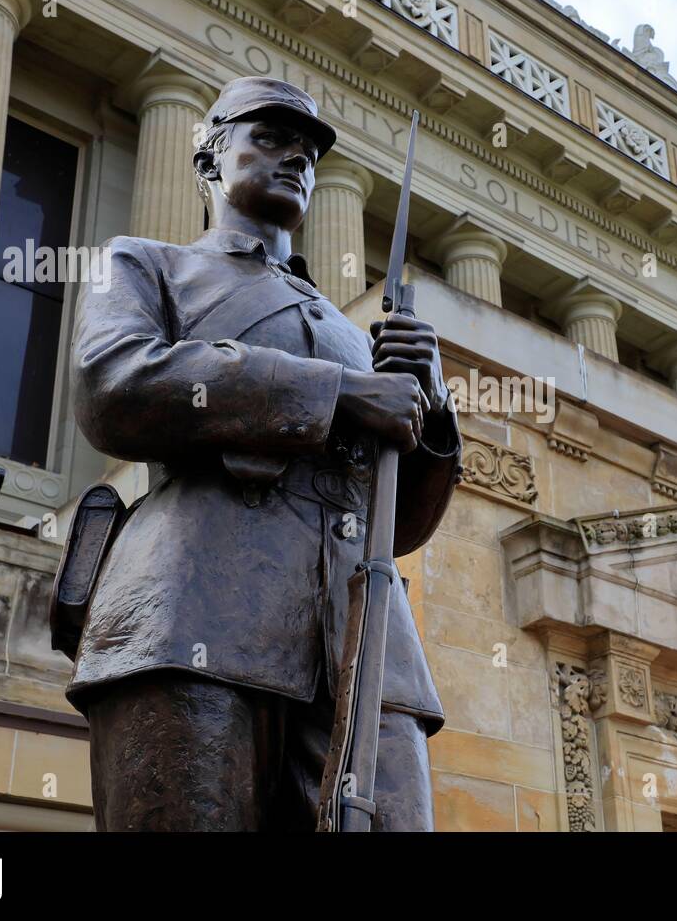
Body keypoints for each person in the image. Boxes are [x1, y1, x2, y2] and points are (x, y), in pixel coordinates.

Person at [63, 77, 461, 830]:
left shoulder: (350, 335)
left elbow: (397, 522)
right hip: (194, 613)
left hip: (360, 641)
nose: (296, 161)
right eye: (269, 140)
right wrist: (336, 394)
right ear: (211, 161)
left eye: (307, 151)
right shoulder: (145, 265)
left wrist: (430, 408)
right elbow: (111, 384)